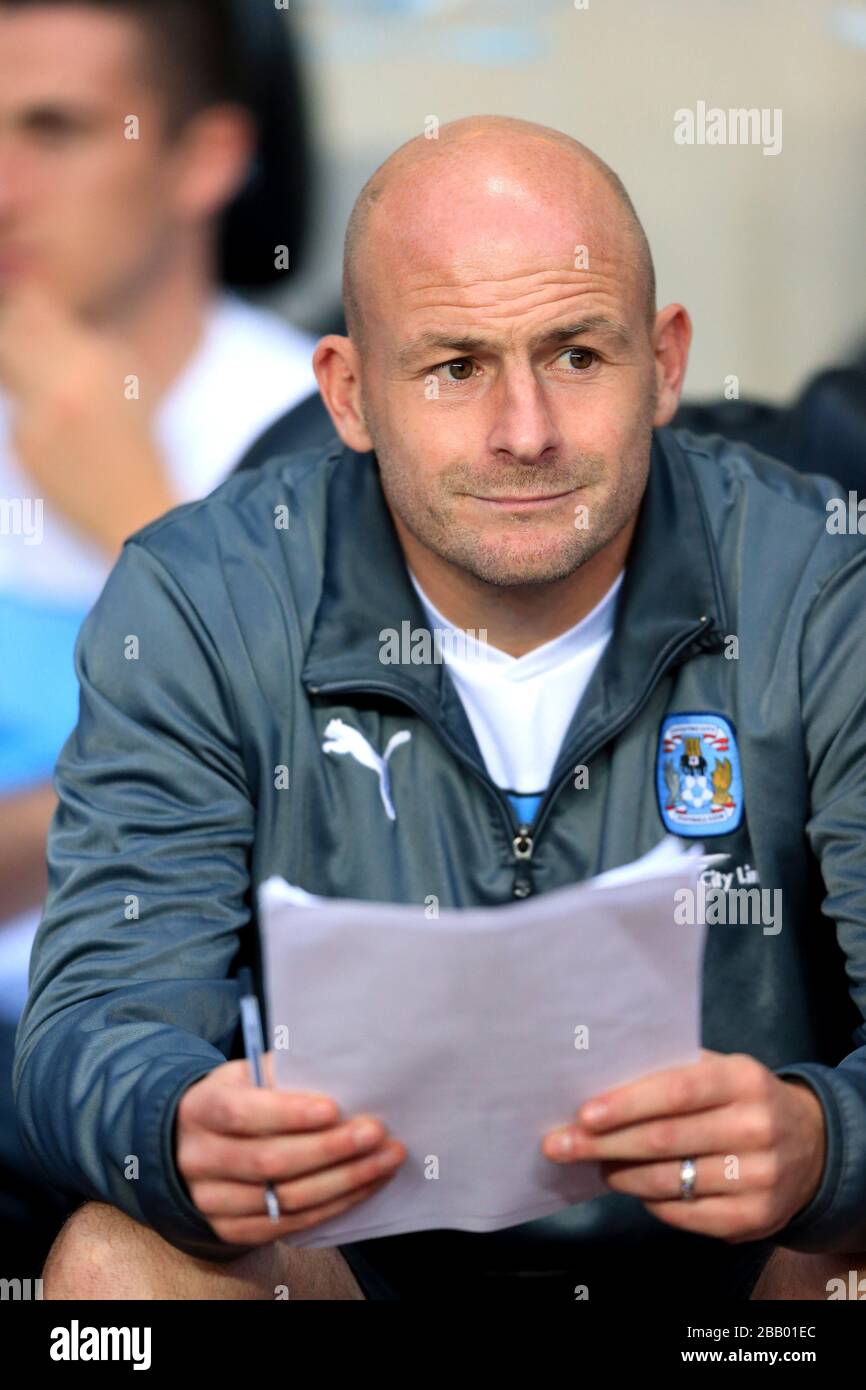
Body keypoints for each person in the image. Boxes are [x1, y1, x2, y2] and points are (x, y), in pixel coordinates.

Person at [13, 115, 866, 1301]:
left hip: (739, 1287)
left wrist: (825, 1142)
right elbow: (89, 1019)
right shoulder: (201, 594)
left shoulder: (822, 584)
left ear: (665, 363)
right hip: (348, 1277)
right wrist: (176, 1129)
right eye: (455, 367)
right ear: (350, 394)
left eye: (575, 354)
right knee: (112, 1274)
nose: (524, 432)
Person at [0, 0, 317, 1270]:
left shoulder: (334, 424)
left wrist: (142, 519)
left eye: (55, 128)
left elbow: (362, 812)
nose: (3, 182)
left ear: (205, 157)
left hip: (226, 1062)